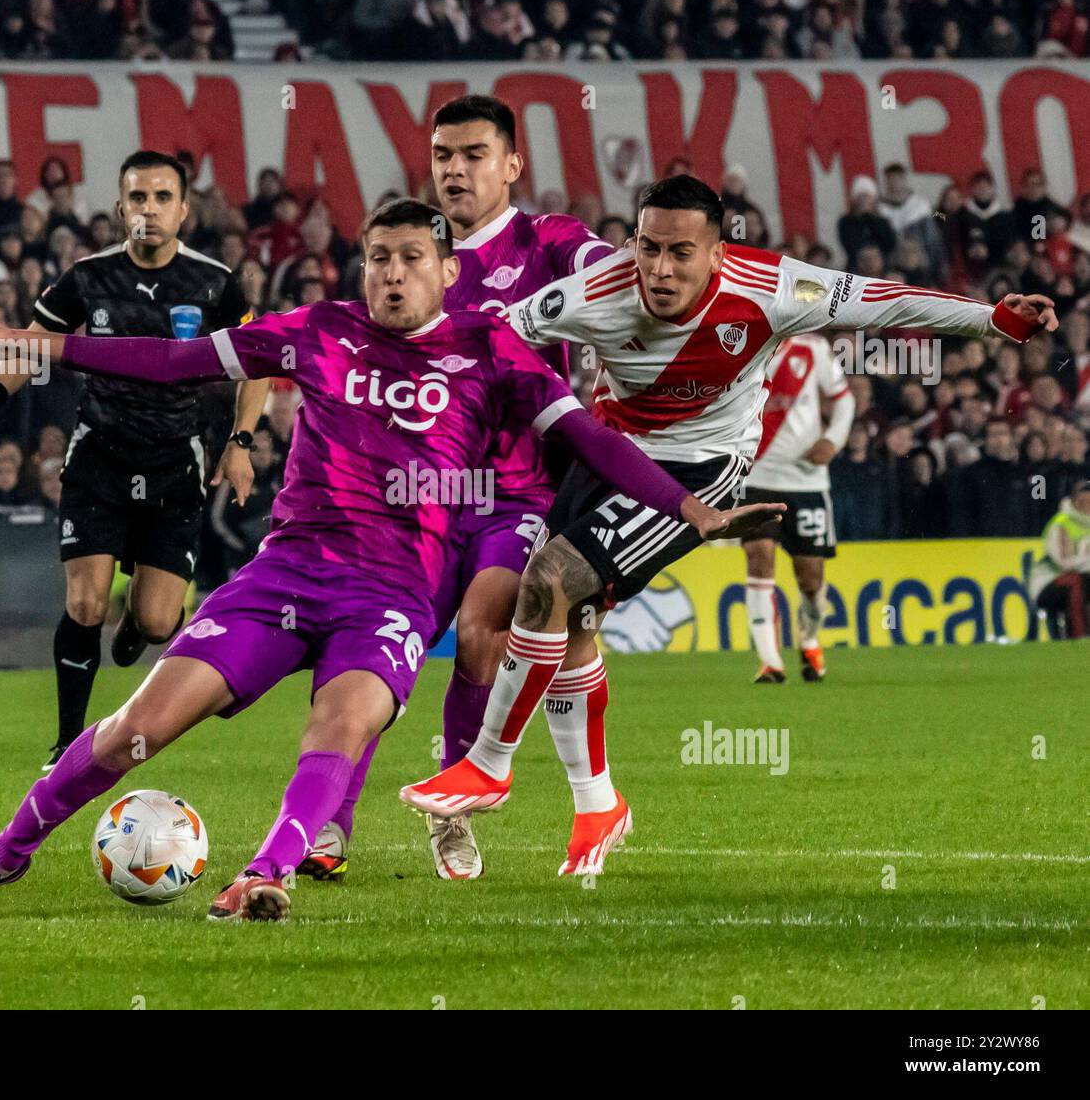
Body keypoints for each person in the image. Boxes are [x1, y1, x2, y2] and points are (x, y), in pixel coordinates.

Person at [0, 197, 779, 922]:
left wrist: (688, 504)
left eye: (409, 258)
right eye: (377, 257)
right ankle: (1, 858)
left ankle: (265, 874)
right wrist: (21, 344)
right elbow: (170, 360)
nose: (391, 273)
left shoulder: (491, 349)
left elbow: (590, 438)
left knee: (343, 725)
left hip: (391, 595)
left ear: (446, 270)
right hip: (284, 572)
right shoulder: (318, 330)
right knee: (136, 730)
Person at [401, 174, 1056, 877]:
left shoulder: (772, 287)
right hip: (611, 453)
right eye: (647, 248)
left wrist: (993, 319)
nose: (659, 268)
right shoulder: (596, 292)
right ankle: (598, 806)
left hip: (702, 472)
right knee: (574, 622)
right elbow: (489, 338)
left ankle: (489, 765)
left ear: (718, 253)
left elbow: (883, 302)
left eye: (681, 252)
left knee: (550, 582)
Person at [303, 94, 613, 884]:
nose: (455, 169)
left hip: (514, 493)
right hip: (409, 496)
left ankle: (452, 813)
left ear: (512, 165)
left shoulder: (549, 242)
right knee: (371, 660)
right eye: (443, 154)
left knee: (482, 632)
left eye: (475, 154)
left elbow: (614, 274)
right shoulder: (405, 252)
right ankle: (327, 829)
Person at [0, 150, 255, 770]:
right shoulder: (85, 278)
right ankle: (67, 744)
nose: (149, 210)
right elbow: (30, 346)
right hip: (100, 455)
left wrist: (241, 441)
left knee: (155, 622)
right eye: (138, 199)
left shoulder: (216, 283)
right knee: (85, 606)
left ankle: (138, 623)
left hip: (177, 461)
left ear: (184, 208)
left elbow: (258, 361)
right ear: (121, 209)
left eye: (162, 198)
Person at [739, 332, 854, 683]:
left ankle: (810, 639)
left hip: (806, 479)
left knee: (811, 577)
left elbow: (844, 401)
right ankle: (770, 662)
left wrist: (832, 442)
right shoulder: (740, 343)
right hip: (755, 475)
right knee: (759, 555)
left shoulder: (812, 348)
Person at [1030, 481, 1090, 639]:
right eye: (1085, 501)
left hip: (1082, 577)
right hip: (1049, 581)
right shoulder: (1060, 523)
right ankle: (1079, 635)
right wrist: (1086, 561)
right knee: (1076, 582)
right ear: (1076, 500)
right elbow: (1062, 563)